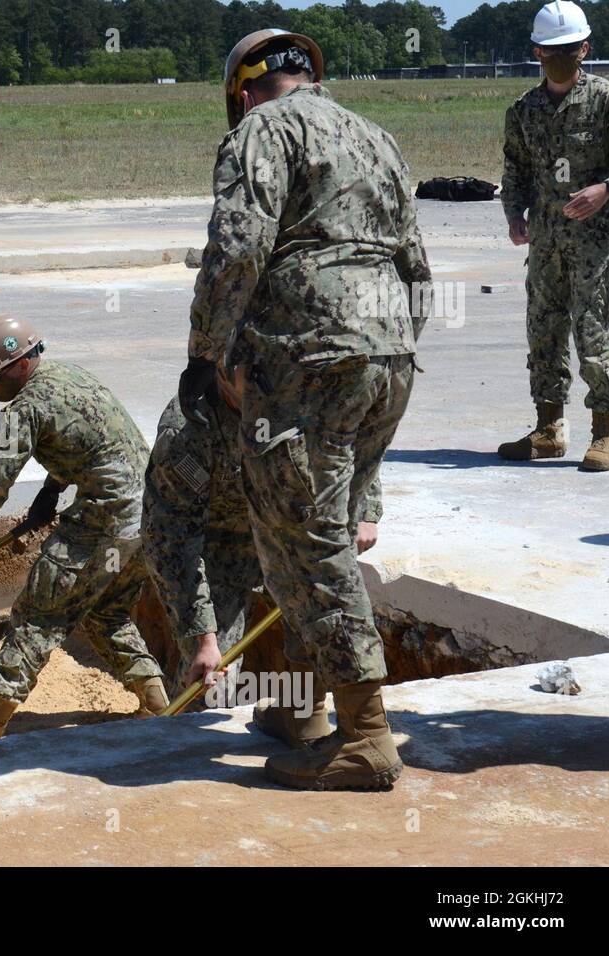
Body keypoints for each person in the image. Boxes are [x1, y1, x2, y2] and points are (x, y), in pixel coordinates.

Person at [177, 29, 431, 789]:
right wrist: (386, 347)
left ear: (244, 92)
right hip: (386, 359)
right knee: (293, 533)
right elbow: (416, 262)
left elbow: (239, 245)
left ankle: (366, 736)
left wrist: (204, 349)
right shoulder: (376, 135)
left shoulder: (263, 130)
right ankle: (299, 705)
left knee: (311, 544)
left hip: (308, 362)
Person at [0, 315, 168, 743]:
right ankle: (157, 704)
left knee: (39, 613)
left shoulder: (26, 408)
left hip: (103, 521)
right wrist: (52, 491)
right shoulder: (72, 375)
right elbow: (89, 442)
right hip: (149, 518)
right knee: (105, 612)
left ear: (18, 363)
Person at [143, 359, 382, 747]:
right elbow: (170, 540)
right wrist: (202, 636)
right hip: (221, 540)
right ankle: (185, 747)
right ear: (223, 381)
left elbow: (351, 441)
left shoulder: (298, 390)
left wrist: (366, 510)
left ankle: (301, 715)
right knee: (210, 672)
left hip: (289, 523)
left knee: (318, 618)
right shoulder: (187, 431)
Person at [499, 1, 609, 471]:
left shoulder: (607, 101)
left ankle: (606, 431)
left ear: (585, 48)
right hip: (545, 245)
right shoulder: (524, 109)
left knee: (593, 334)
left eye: (569, 48)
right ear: (537, 52)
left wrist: (606, 189)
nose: (561, 56)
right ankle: (548, 429)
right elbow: (515, 168)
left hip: (596, 246)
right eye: (552, 50)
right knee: (543, 333)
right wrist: (513, 214)